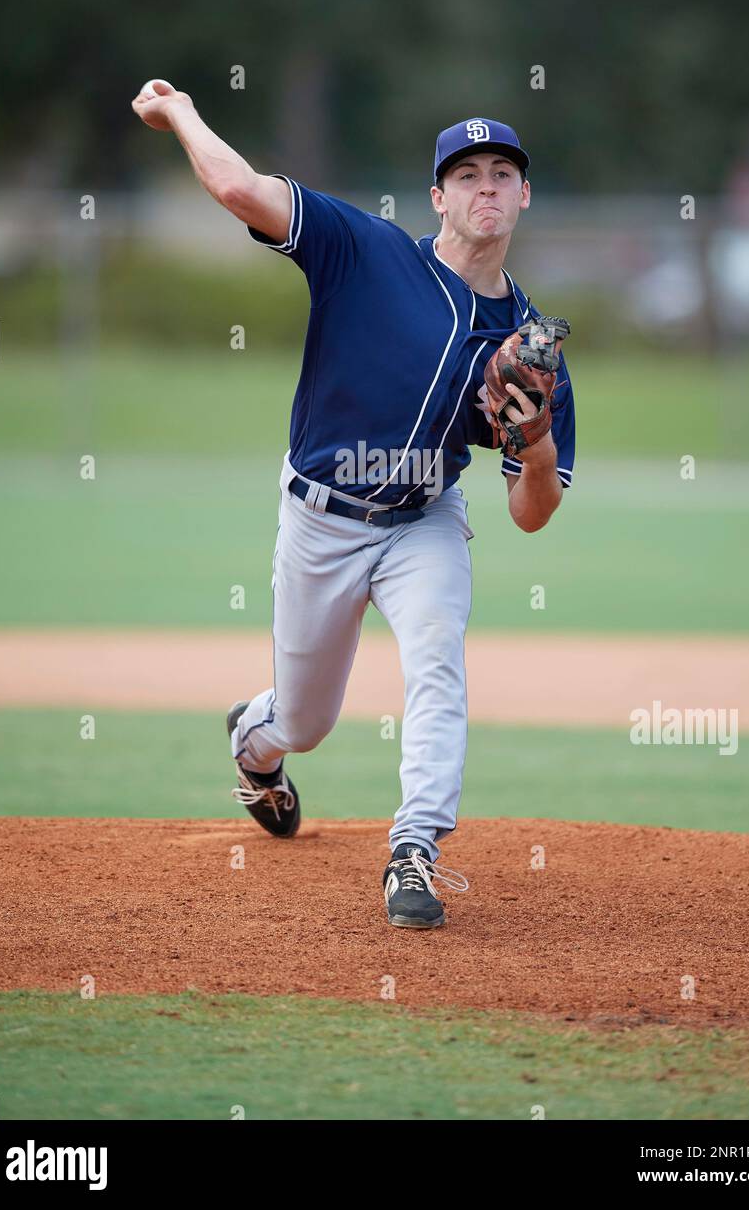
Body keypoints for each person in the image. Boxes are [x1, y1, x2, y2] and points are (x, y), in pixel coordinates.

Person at [131, 87, 576, 929]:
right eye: (467, 174)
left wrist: (539, 443)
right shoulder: (362, 250)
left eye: (504, 174)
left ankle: (414, 852)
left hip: (424, 522)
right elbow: (240, 190)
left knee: (438, 662)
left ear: (524, 195)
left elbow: (530, 511)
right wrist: (183, 113)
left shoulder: (529, 343)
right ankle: (253, 744)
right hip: (320, 522)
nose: (488, 187)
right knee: (304, 720)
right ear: (438, 196)